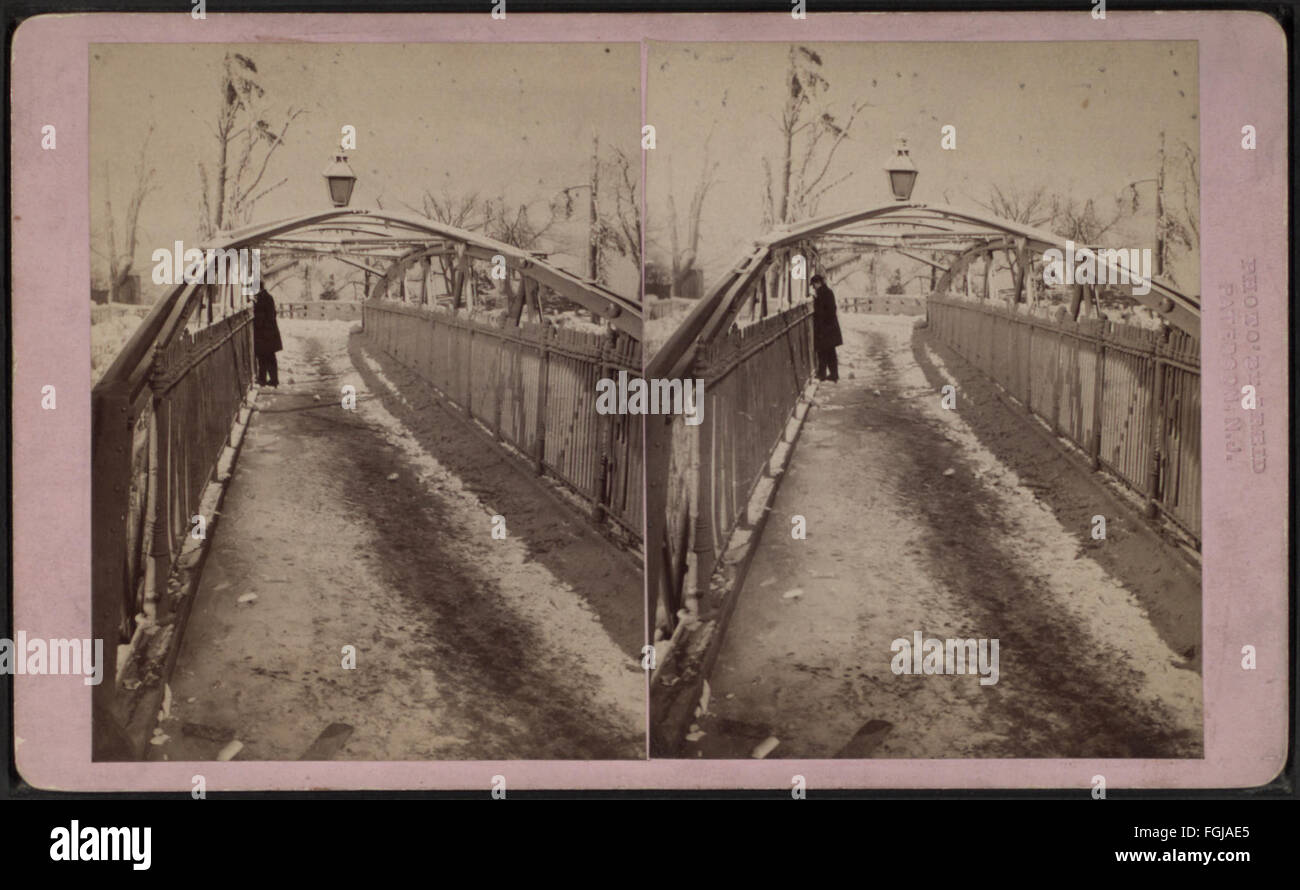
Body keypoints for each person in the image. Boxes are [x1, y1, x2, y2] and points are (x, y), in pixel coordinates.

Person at [810, 273, 842, 382]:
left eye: (814, 285)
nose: (813, 287)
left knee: (822, 352)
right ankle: (834, 374)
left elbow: (823, 311)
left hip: (825, 329)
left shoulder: (822, 294)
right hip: (830, 328)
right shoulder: (828, 292)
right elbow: (832, 309)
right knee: (830, 352)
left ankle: (822, 374)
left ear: (817, 283)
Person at [252, 286, 283, 387]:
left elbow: (260, 318)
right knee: (269, 357)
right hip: (270, 333)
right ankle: (273, 380)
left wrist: (254, 318)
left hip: (265, 335)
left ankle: (264, 380)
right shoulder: (267, 297)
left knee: (264, 358)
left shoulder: (262, 299)